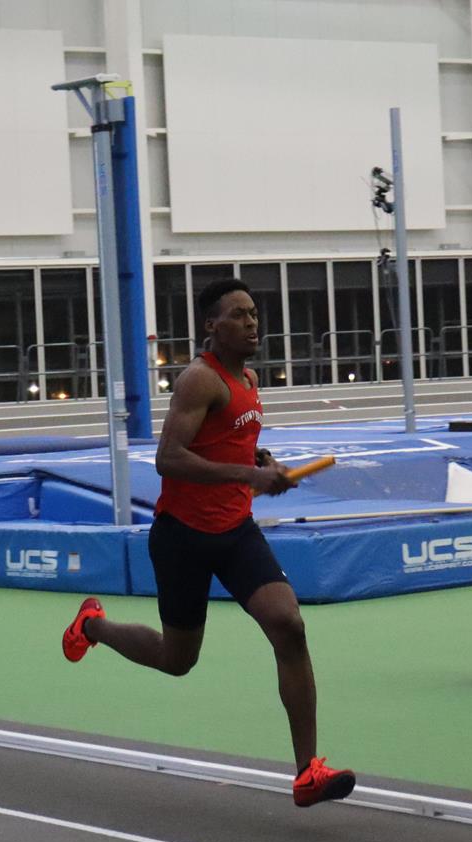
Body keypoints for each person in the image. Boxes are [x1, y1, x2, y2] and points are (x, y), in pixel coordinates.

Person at [60, 278, 354, 807]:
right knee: (177, 660)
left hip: (235, 532)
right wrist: (248, 476)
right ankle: (93, 626)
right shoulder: (200, 380)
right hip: (182, 537)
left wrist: (264, 464)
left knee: (289, 626)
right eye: (238, 314)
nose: (251, 322)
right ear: (211, 325)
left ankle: (308, 772)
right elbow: (168, 458)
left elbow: (235, 444)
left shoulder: (249, 380)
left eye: (254, 312)